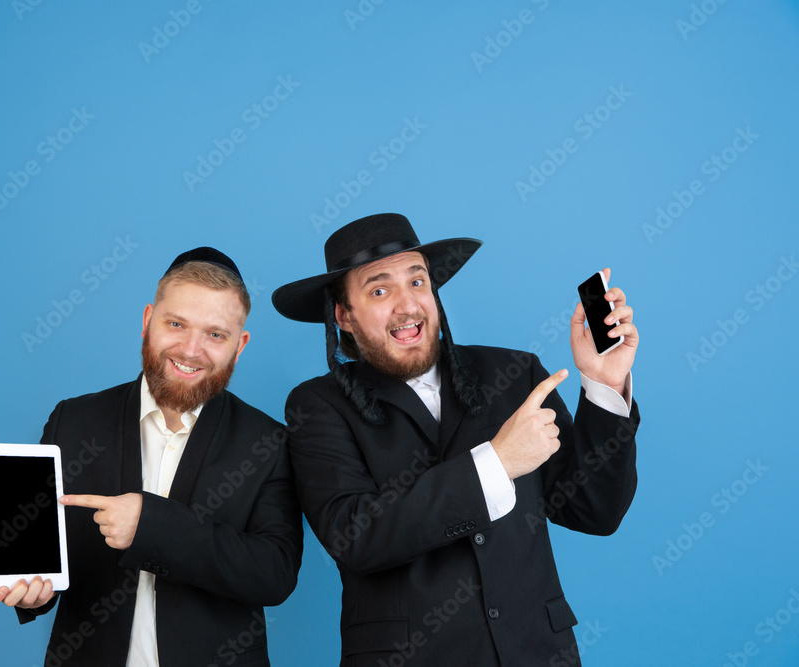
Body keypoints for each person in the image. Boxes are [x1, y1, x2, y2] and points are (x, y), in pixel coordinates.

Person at [272, 213, 639, 666]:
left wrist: (603, 387)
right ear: (343, 316)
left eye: (418, 282)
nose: (407, 306)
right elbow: (356, 537)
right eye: (380, 290)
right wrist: (497, 463)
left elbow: (594, 511)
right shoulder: (317, 405)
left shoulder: (514, 374)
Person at [0, 247, 303, 667]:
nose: (191, 350)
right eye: (176, 324)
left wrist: (151, 526)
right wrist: (32, 593)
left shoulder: (268, 441)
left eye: (215, 334)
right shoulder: (73, 421)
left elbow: (274, 573)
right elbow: (44, 556)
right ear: (147, 321)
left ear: (239, 345)